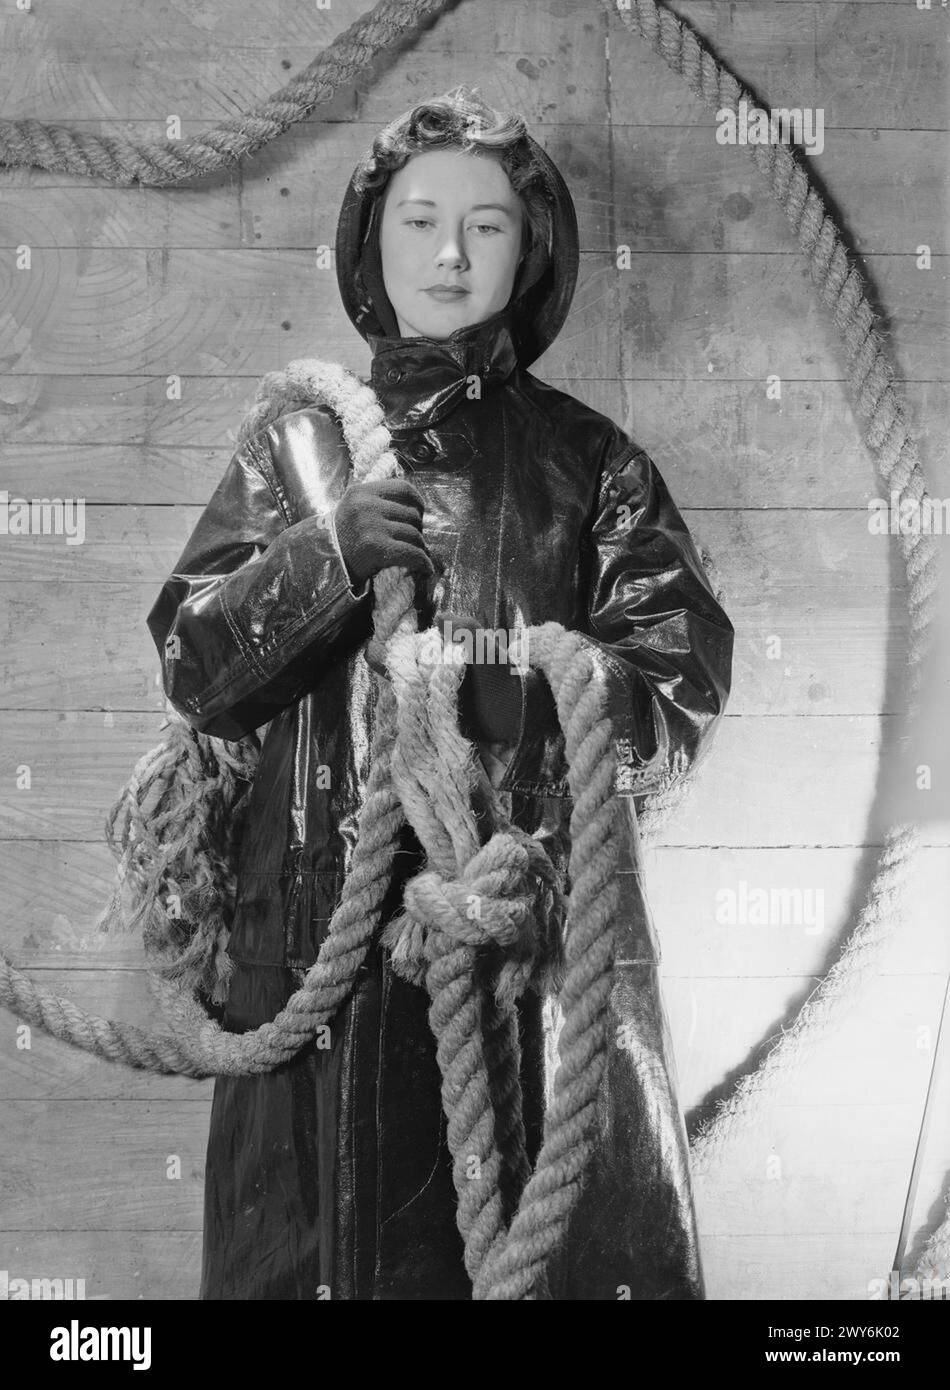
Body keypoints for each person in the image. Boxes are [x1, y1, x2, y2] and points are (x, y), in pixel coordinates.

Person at [146, 86, 735, 1300]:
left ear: (530, 252)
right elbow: (196, 667)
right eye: (418, 222)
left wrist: (514, 705)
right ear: (372, 244)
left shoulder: (592, 465)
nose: (451, 253)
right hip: (316, 964)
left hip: (537, 978)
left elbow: (670, 703)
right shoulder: (299, 451)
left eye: (485, 225)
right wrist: (326, 561)